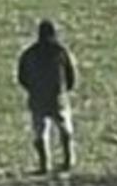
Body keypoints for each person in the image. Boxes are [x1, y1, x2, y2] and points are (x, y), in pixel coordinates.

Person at [16, 20, 78, 174]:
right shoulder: (61, 52)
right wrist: (64, 90)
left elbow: (21, 76)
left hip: (37, 99)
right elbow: (71, 76)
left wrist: (32, 89)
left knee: (40, 132)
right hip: (58, 98)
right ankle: (68, 159)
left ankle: (45, 164)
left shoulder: (29, 53)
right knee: (65, 129)